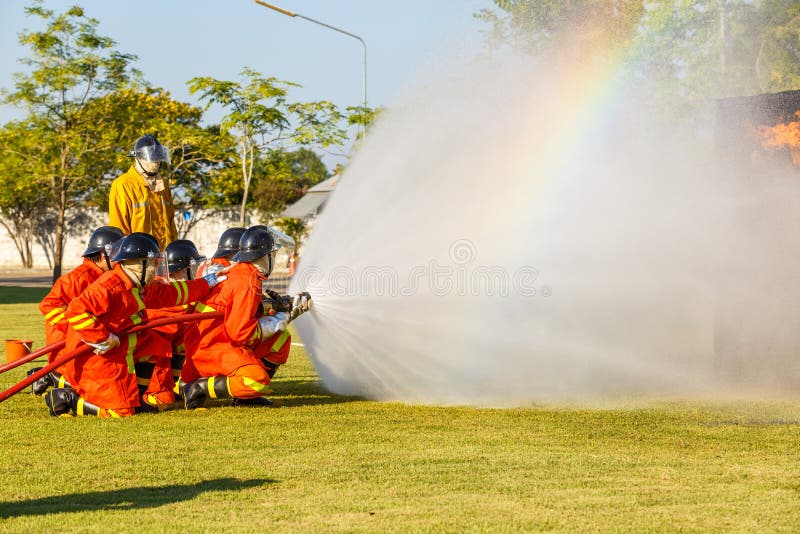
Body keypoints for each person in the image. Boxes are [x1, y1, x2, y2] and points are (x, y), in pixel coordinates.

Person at [43, 232, 226, 417]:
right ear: (137, 264)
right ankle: (66, 398)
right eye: (152, 263)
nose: (155, 269)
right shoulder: (110, 286)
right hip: (97, 354)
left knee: (156, 343)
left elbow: (171, 293)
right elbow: (76, 311)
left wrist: (204, 284)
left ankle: (137, 400)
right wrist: (102, 338)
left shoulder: (137, 285)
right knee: (120, 412)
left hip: (121, 345)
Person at [182, 225, 311, 409]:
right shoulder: (247, 280)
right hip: (212, 346)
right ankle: (198, 388)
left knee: (280, 340)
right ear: (265, 257)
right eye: (273, 254)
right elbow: (240, 332)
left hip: (212, 341)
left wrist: (281, 310)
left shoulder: (245, 273)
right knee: (256, 380)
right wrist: (282, 318)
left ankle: (246, 398)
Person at [32, 226, 124, 395]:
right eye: (117, 253)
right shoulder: (78, 278)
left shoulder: (107, 278)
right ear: (103, 255)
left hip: (93, 341)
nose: (120, 259)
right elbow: (49, 305)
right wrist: (78, 329)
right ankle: (53, 376)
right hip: (67, 350)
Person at [108, 134, 178, 249]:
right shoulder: (123, 185)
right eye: (151, 157)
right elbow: (118, 228)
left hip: (164, 258)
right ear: (138, 158)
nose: (155, 161)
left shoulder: (163, 186)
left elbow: (171, 225)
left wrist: (173, 251)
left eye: (157, 157)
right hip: (138, 257)